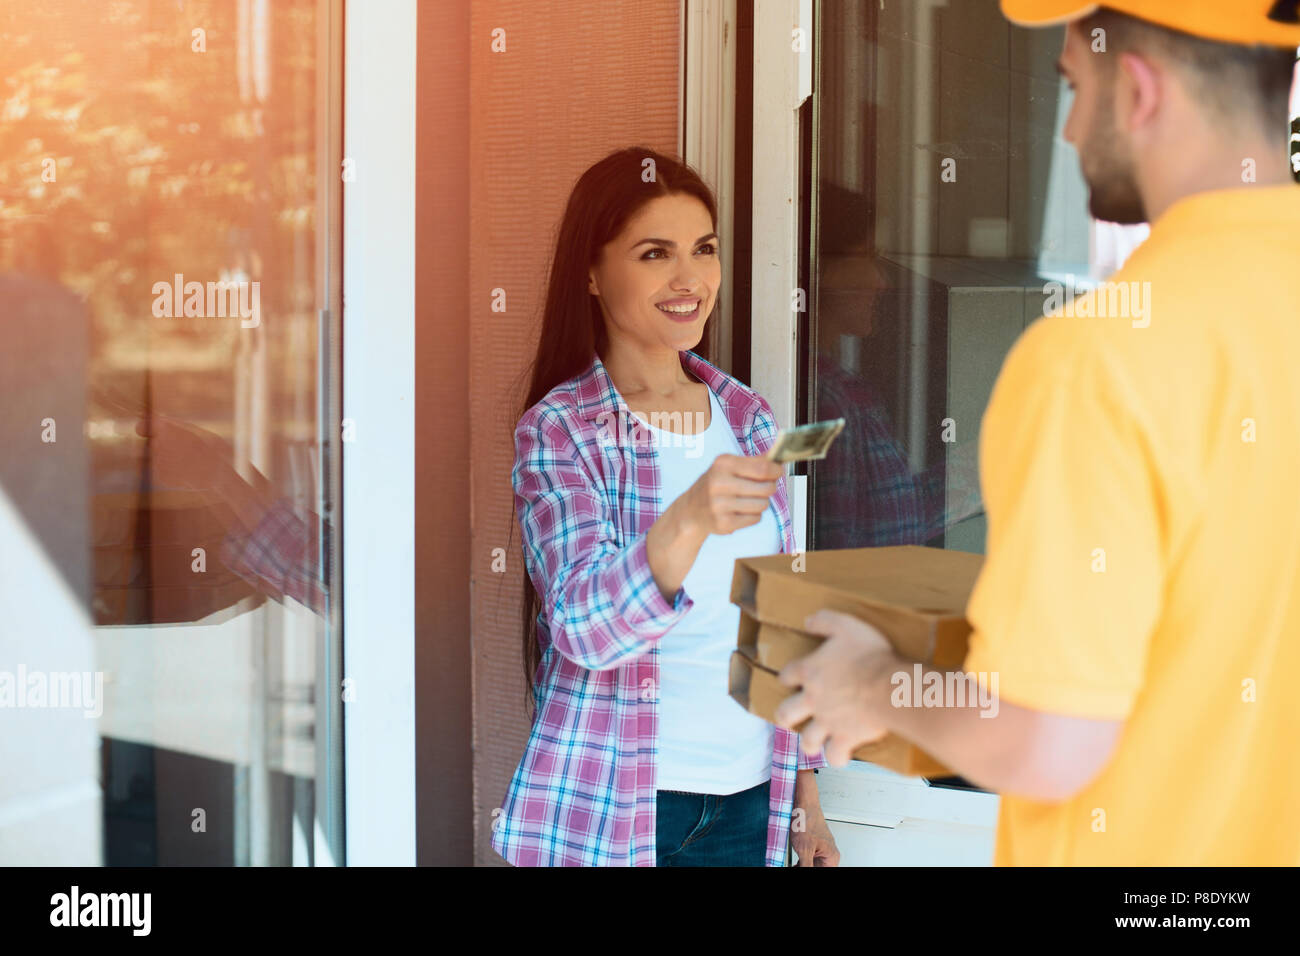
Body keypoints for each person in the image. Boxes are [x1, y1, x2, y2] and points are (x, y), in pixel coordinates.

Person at [774, 0, 1300, 865]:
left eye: (1072, 88)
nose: (1066, 134)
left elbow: (1051, 743)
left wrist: (870, 683)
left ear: (1134, 90)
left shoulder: (1103, 359)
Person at [490, 147, 837, 866]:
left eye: (704, 250)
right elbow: (584, 630)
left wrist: (805, 800)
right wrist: (686, 519)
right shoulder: (562, 431)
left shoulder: (748, 417)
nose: (690, 279)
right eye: (655, 254)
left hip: (753, 806)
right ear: (591, 272)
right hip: (625, 814)